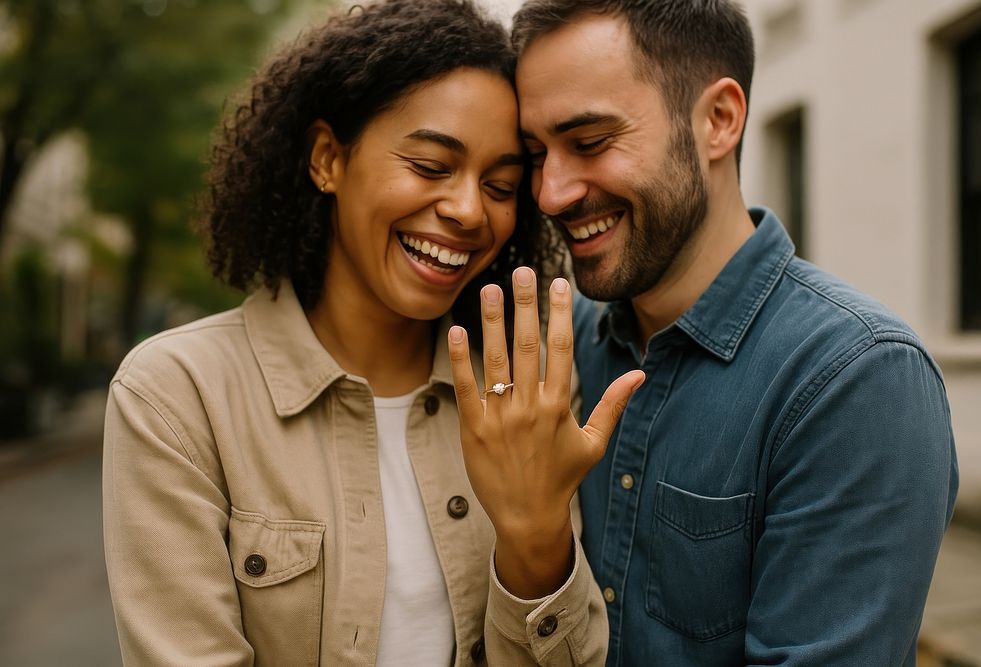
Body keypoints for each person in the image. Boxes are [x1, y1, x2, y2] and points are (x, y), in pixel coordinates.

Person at [451, 0, 960, 664]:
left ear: (718, 120)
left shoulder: (856, 378)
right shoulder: (557, 347)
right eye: (536, 155)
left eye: (590, 141)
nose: (550, 193)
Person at [101, 1, 610, 664]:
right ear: (326, 159)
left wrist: (536, 540)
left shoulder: (526, 392)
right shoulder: (178, 395)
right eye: (431, 166)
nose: (466, 210)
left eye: (501, 184)